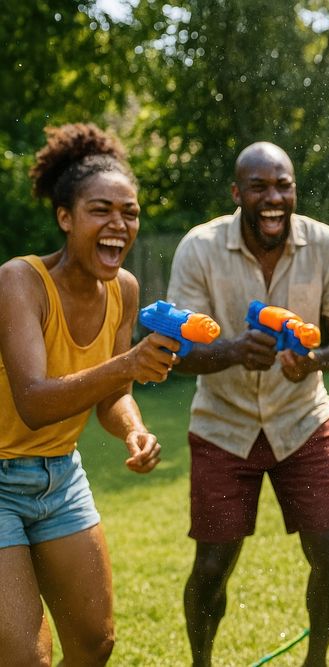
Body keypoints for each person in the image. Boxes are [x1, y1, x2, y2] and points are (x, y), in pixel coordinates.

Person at [167, 141, 329, 667]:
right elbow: (175, 353)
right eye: (259, 187)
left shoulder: (328, 246)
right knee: (212, 564)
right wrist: (231, 350)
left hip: (303, 419)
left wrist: (315, 359)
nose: (273, 197)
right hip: (222, 425)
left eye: (283, 185)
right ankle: (202, 663)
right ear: (237, 193)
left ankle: (316, 660)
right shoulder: (199, 247)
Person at [0, 123, 176, 664]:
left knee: (96, 643)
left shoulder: (123, 289)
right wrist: (126, 363)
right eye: (101, 210)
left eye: (130, 213)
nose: (118, 224)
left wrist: (135, 429)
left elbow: (111, 397)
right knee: (26, 656)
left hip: (61, 476)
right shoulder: (20, 282)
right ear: (65, 217)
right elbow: (32, 400)